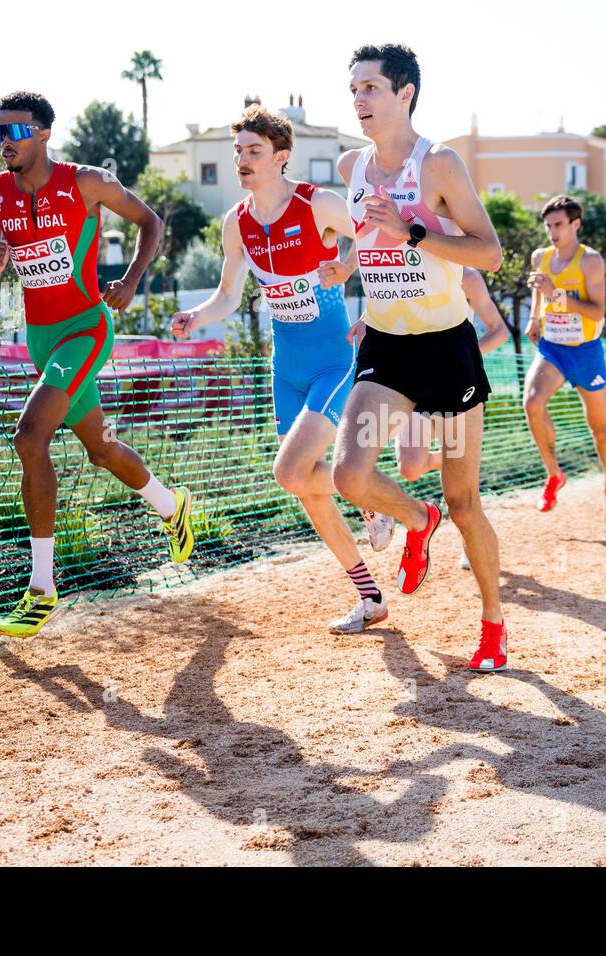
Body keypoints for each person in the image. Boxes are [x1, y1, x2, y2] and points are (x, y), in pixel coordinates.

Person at [0, 91, 193, 639]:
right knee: (98, 450)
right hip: (42, 339)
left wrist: (133, 279)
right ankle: (173, 505)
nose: (6, 141)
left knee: (29, 438)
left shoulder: (86, 182)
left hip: (86, 328)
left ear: (44, 134)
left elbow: (149, 223)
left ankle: (41, 590)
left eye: (17, 131)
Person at [171, 105, 395, 635]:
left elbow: (379, 236)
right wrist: (197, 316)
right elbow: (228, 295)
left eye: (254, 151)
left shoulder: (319, 204)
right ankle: (370, 597)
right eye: (237, 152)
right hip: (286, 365)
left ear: (281, 157)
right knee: (305, 487)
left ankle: (376, 496)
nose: (242, 161)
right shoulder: (237, 223)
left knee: (292, 471)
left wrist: (347, 266)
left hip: (334, 358)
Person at [328, 44, 508, 672]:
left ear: (405, 94)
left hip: (446, 349)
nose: (359, 100)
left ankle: (492, 626)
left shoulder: (439, 165)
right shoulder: (352, 166)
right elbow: (368, 240)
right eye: (353, 89)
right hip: (385, 345)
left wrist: (416, 232)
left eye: (371, 88)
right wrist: (344, 266)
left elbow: (490, 253)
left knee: (466, 501)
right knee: (348, 475)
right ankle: (415, 518)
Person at [394, 268, 507, 571]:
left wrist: (466, 355)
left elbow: (500, 330)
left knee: (462, 491)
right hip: (414, 384)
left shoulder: (467, 277)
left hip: (457, 386)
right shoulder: (403, 269)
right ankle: (456, 467)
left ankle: (470, 542)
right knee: (410, 467)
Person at [523, 194, 606, 523]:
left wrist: (556, 294)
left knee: (600, 427)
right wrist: (535, 317)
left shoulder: (591, 261)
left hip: (586, 352)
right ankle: (554, 474)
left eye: (559, 225)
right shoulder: (541, 256)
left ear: (575, 224)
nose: (552, 231)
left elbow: (598, 310)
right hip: (553, 348)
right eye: (548, 225)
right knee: (532, 404)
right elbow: (539, 290)